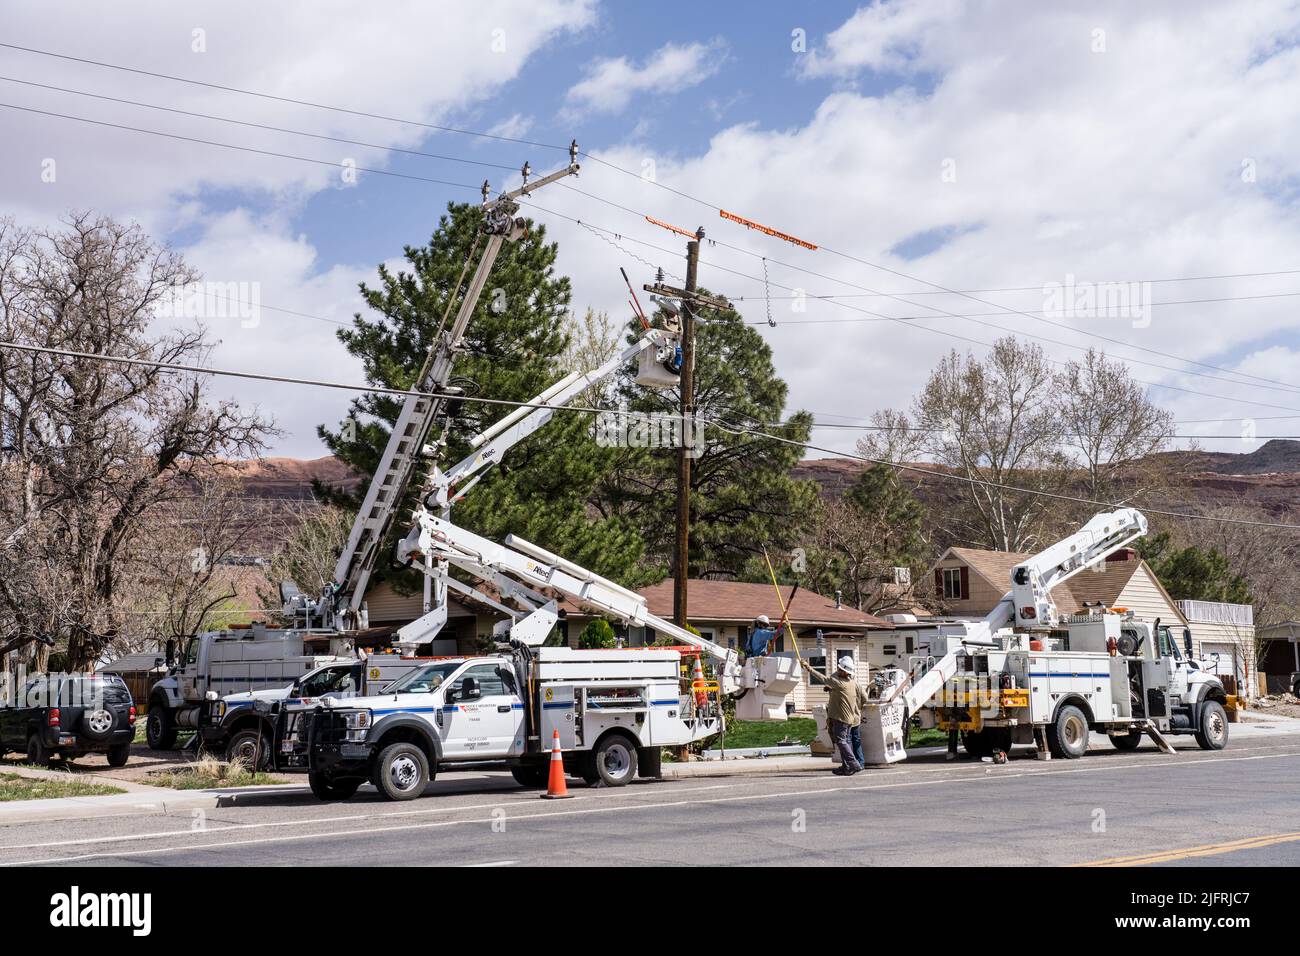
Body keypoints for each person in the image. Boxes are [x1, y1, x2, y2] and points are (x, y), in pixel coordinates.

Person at [807, 655, 868, 774]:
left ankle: (854, 764)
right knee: (848, 742)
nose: (838, 670)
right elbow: (863, 698)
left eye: (840, 669)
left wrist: (808, 668)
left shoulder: (838, 682)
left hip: (842, 718)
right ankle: (847, 767)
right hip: (851, 717)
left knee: (842, 742)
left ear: (845, 672)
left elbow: (823, 678)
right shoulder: (851, 683)